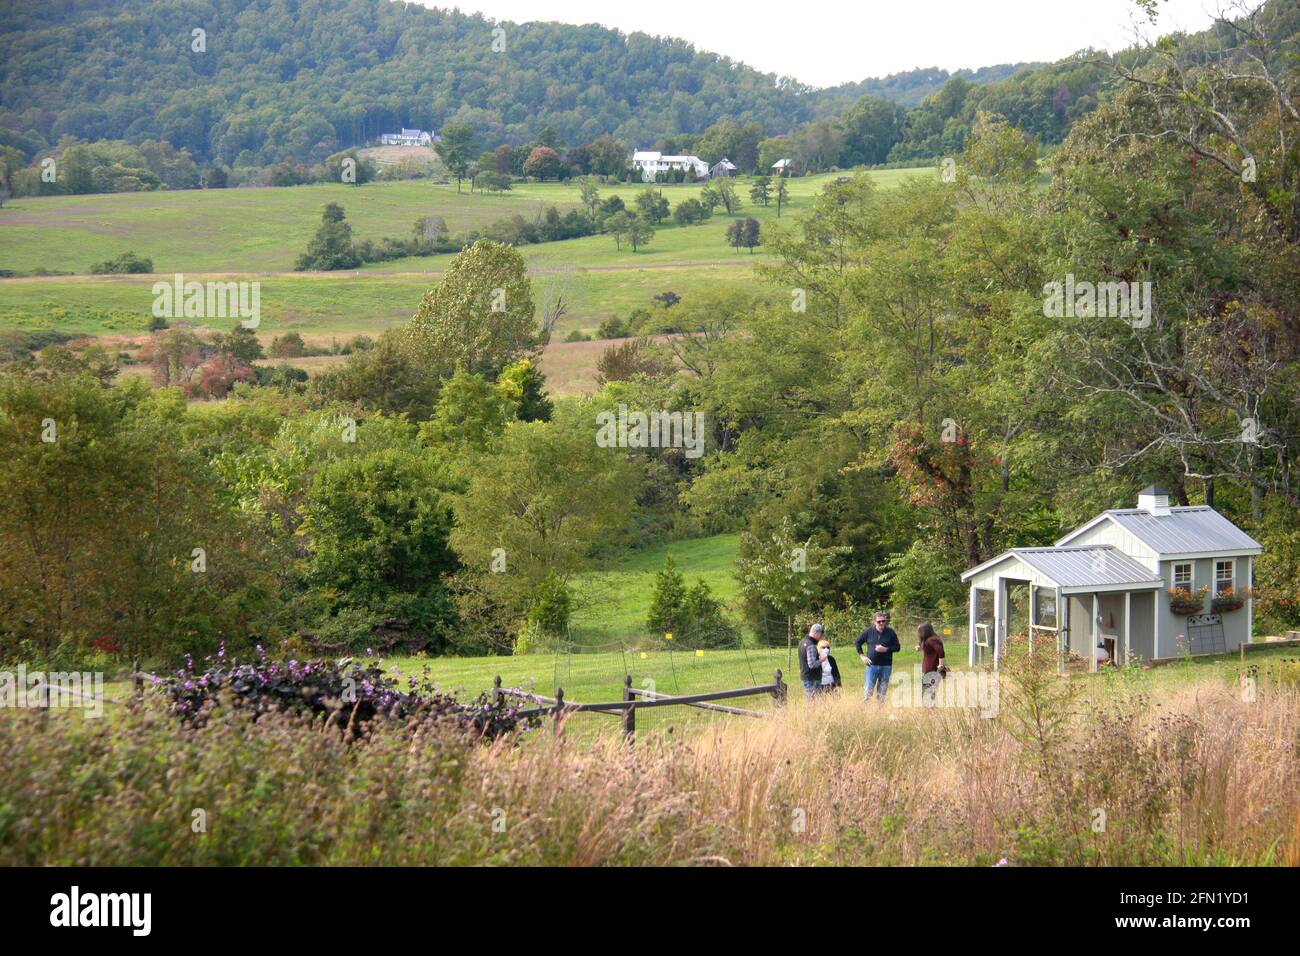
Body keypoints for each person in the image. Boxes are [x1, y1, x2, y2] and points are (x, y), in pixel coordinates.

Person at [855, 611, 900, 703]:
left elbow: (897, 647)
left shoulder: (890, 632)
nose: (881, 623)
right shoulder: (869, 632)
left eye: (883, 621)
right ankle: (865, 711)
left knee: (882, 692)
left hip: (886, 666)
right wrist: (862, 656)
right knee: (868, 691)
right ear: (874, 622)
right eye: (879, 621)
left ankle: (879, 712)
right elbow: (857, 642)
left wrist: (886, 649)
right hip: (871, 666)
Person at [917, 622, 946, 707]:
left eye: (919, 631)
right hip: (930, 670)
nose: (918, 633)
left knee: (928, 693)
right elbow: (928, 647)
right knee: (930, 692)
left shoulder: (931, 640)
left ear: (925, 631)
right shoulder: (929, 639)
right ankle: (931, 712)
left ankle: (931, 713)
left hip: (932, 670)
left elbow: (941, 651)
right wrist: (919, 648)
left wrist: (941, 665)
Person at [798, 623, 825, 698]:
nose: (820, 637)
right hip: (812, 679)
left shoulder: (802, 642)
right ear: (816, 632)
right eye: (820, 634)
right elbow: (812, 664)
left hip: (805, 676)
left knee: (810, 701)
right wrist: (821, 660)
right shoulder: (811, 645)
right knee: (814, 703)